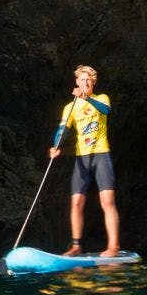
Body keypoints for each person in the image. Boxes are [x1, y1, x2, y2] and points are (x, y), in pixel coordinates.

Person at [47, 65, 121, 257]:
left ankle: (114, 245)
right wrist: (56, 145)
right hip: (82, 157)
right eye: (82, 80)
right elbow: (62, 129)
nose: (85, 83)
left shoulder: (101, 98)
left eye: (89, 80)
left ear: (93, 82)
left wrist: (86, 97)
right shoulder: (70, 107)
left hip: (101, 155)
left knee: (107, 200)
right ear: (77, 82)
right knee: (76, 202)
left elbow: (105, 111)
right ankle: (76, 245)